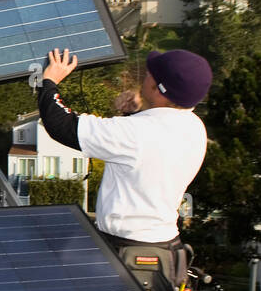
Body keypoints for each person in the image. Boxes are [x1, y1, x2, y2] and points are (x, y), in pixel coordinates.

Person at [36, 47, 212, 250]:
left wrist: (49, 81)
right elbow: (145, 152)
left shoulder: (136, 133)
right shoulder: (195, 127)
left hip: (127, 250)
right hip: (164, 246)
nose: (143, 77)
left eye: (148, 75)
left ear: (157, 88)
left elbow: (61, 125)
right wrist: (136, 113)